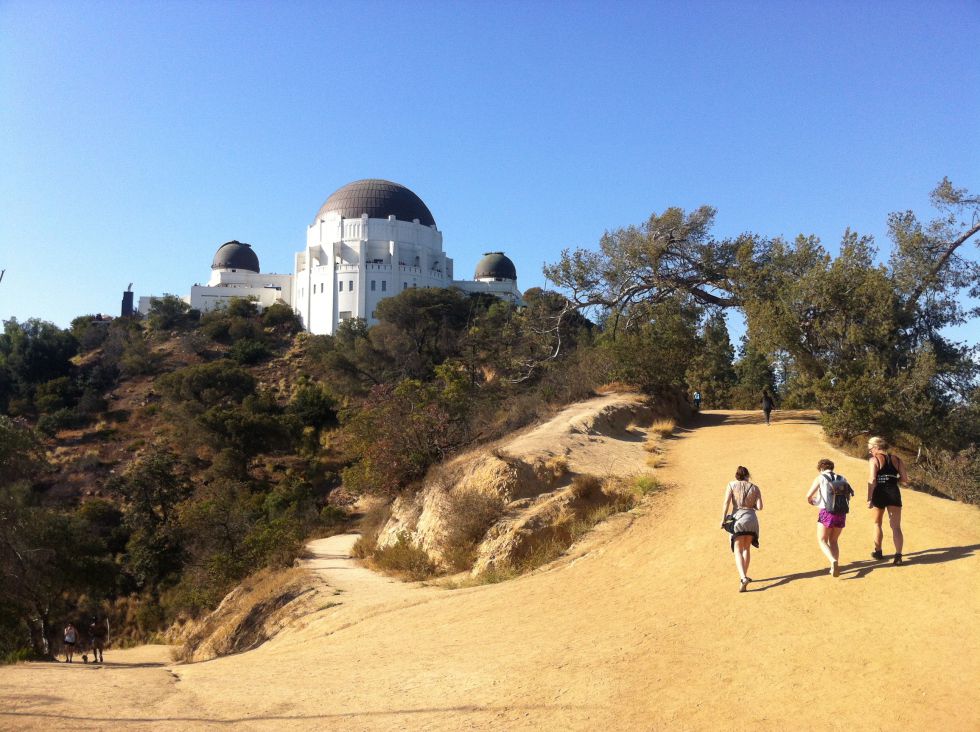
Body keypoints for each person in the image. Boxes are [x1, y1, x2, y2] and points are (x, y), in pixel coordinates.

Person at [806, 459, 853, 577]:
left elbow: (808, 495)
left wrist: (812, 501)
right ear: (832, 467)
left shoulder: (820, 478)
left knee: (822, 540)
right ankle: (834, 568)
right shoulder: (842, 478)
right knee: (834, 540)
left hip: (827, 512)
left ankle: (833, 561)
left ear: (821, 468)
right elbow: (849, 497)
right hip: (841, 513)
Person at [720, 466, 763, 592]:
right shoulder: (755, 488)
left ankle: (743, 577)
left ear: (736, 475)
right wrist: (752, 505)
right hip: (752, 520)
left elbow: (726, 503)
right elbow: (760, 507)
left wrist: (723, 520)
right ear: (747, 475)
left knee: (737, 549)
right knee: (746, 548)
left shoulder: (731, 485)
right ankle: (744, 576)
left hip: (738, 519)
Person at [867, 436, 908, 565]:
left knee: (877, 523)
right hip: (894, 492)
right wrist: (893, 479)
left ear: (876, 447)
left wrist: (869, 498)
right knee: (896, 527)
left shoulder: (874, 460)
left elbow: (872, 479)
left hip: (879, 492)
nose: (870, 451)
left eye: (870, 449)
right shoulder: (897, 459)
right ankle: (898, 556)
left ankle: (878, 552)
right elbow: (905, 479)